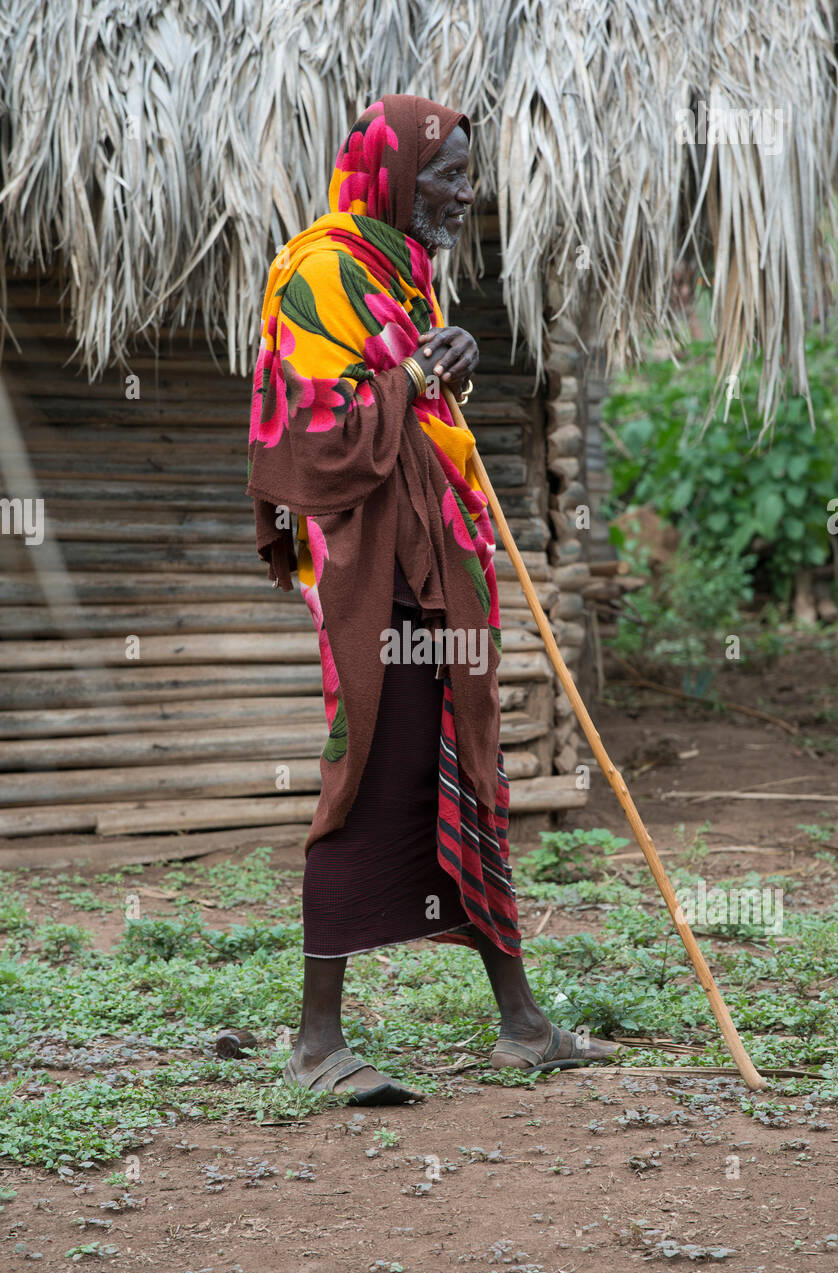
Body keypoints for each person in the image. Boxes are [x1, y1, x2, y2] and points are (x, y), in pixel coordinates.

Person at [247, 94, 619, 1104]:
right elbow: (315, 439)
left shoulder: (398, 276)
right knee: (364, 775)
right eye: (450, 172)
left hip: (432, 575)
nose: (466, 192)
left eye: (466, 172)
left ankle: (522, 1022)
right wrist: (416, 368)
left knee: (466, 770)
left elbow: (410, 407)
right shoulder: (315, 271)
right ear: (396, 174)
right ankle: (317, 1044)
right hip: (374, 579)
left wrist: (440, 361)